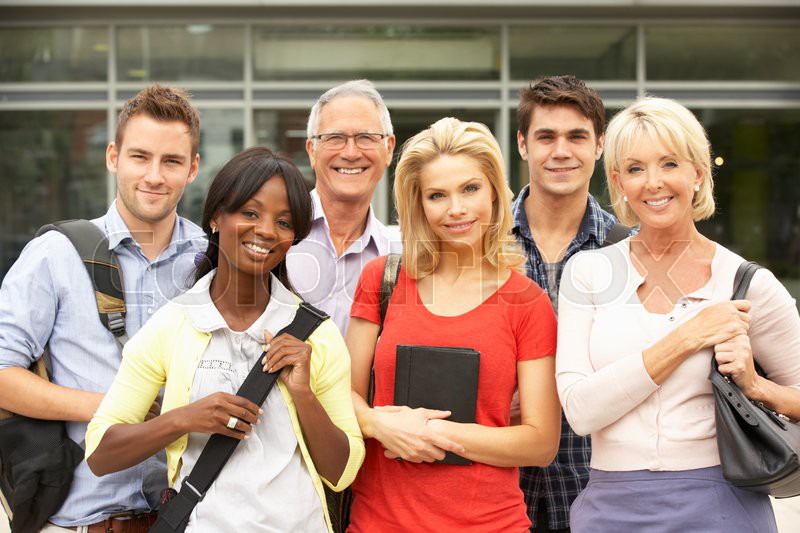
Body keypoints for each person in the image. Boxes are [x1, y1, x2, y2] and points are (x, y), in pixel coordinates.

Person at [85, 147, 365, 533]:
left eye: (284, 222)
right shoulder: (173, 325)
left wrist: (303, 394)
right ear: (216, 217)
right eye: (250, 213)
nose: (266, 230)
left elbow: (342, 472)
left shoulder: (317, 335)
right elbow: (100, 454)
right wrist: (184, 418)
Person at [556, 97, 800, 532]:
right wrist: (687, 338)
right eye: (635, 169)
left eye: (669, 164)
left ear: (698, 173)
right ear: (619, 181)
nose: (653, 183)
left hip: (723, 507)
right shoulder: (588, 272)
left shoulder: (744, 282)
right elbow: (580, 411)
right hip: (611, 508)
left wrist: (755, 385)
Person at [0, 85, 205, 531]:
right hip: (84, 523)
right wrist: (112, 406)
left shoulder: (213, 261)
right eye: (139, 157)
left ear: (193, 168)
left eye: (171, 161)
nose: (154, 176)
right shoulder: (55, 254)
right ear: (113, 157)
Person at [346, 117, 561, 532]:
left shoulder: (528, 303)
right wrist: (379, 424)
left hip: (490, 524)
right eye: (437, 195)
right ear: (419, 205)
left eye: (470, 189)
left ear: (494, 191)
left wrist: (428, 432)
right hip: (379, 522)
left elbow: (540, 442)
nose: (456, 209)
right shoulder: (382, 279)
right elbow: (342, 395)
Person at [512, 75, 634, 533]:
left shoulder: (631, 252)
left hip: (598, 495)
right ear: (523, 144)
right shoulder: (479, 245)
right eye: (546, 136)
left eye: (577, 136)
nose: (561, 151)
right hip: (498, 495)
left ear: (599, 145)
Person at [287, 79, 402, 335]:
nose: (351, 153)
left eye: (366, 137)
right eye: (335, 138)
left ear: (388, 149)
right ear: (312, 151)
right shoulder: (274, 238)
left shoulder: (402, 257)